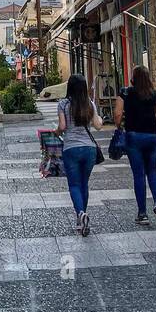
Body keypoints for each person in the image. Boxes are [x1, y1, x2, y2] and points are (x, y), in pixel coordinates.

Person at [113, 66, 156, 226]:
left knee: (139, 175)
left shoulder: (125, 92)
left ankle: (142, 213)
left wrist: (119, 127)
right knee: (154, 172)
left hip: (134, 137)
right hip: (152, 137)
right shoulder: (154, 94)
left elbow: (117, 114)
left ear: (133, 78)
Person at [56, 74, 103, 237]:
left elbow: (62, 126)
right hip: (89, 149)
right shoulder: (89, 104)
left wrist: (57, 132)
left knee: (74, 185)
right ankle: (83, 215)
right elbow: (98, 126)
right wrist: (101, 119)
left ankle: (80, 214)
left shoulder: (63, 104)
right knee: (84, 184)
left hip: (71, 149)